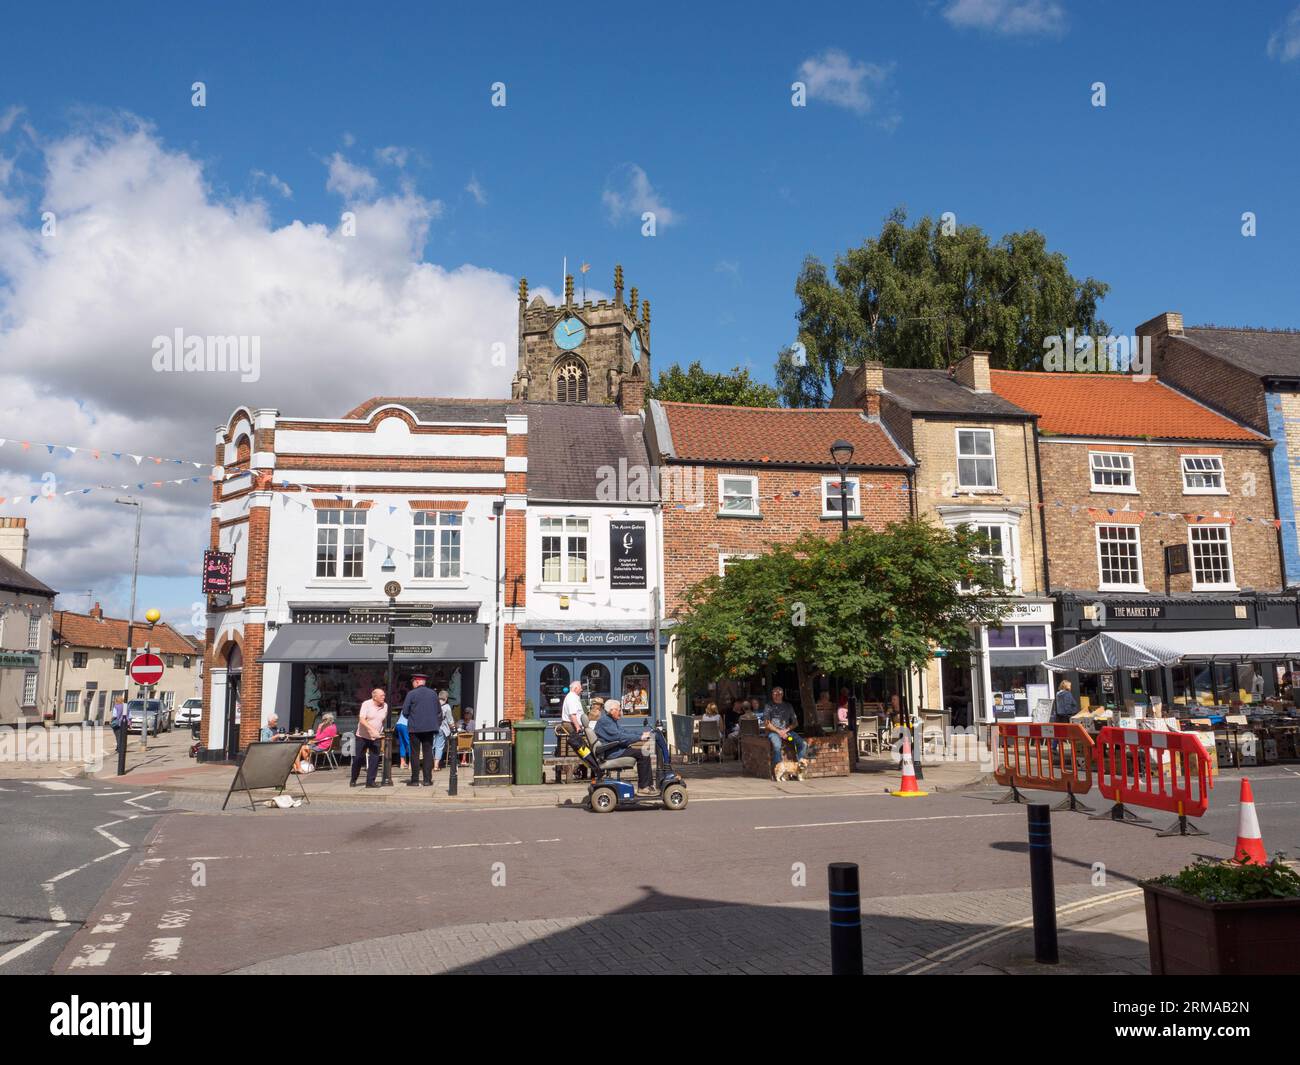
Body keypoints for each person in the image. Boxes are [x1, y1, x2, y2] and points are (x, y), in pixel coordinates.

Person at [594, 701, 654, 792]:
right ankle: (643, 787)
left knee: (642, 753)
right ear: (611, 710)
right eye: (618, 710)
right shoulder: (605, 721)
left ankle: (647, 785)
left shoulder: (611, 720)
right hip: (612, 752)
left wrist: (642, 733)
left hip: (616, 749)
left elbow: (625, 732)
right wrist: (640, 737)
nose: (620, 712)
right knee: (643, 754)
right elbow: (619, 737)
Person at [402, 673, 439, 787]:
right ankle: (427, 780)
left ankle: (414, 780)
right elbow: (438, 711)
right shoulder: (433, 694)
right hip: (429, 728)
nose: (412, 684)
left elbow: (405, 712)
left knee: (415, 754)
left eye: (413, 682)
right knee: (428, 753)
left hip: (415, 728)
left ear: (417, 682)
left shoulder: (411, 694)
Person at [762, 686, 808, 768]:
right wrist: (779, 732)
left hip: (787, 734)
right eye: (775, 693)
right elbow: (767, 723)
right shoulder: (768, 706)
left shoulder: (788, 706)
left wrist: (785, 731)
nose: (777, 695)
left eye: (779, 693)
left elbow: (795, 723)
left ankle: (799, 767)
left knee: (803, 744)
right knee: (777, 746)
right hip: (773, 733)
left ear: (782, 694)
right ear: (772, 694)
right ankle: (778, 770)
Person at [351, 688, 386, 788]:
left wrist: (379, 730)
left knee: (374, 759)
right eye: (381, 695)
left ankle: (370, 781)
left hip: (376, 737)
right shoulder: (366, 704)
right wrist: (372, 729)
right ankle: (353, 778)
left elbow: (382, 720)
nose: (384, 697)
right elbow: (362, 719)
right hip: (362, 736)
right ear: (374, 697)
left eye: (384, 695)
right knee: (358, 758)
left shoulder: (385, 706)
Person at [433, 689, 456, 769]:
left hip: (432, 727)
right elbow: (450, 720)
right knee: (439, 746)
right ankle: (436, 765)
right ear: (446, 698)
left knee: (432, 745)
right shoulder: (447, 707)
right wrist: (453, 727)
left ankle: (430, 764)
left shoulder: (433, 704)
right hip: (442, 729)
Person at [395, 705, 410, 771]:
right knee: (409, 743)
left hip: (399, 724)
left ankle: (402, 763)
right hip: (406, 725)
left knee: (402, 744)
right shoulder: (414, 707)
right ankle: (411, 764)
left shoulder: (405, 707)